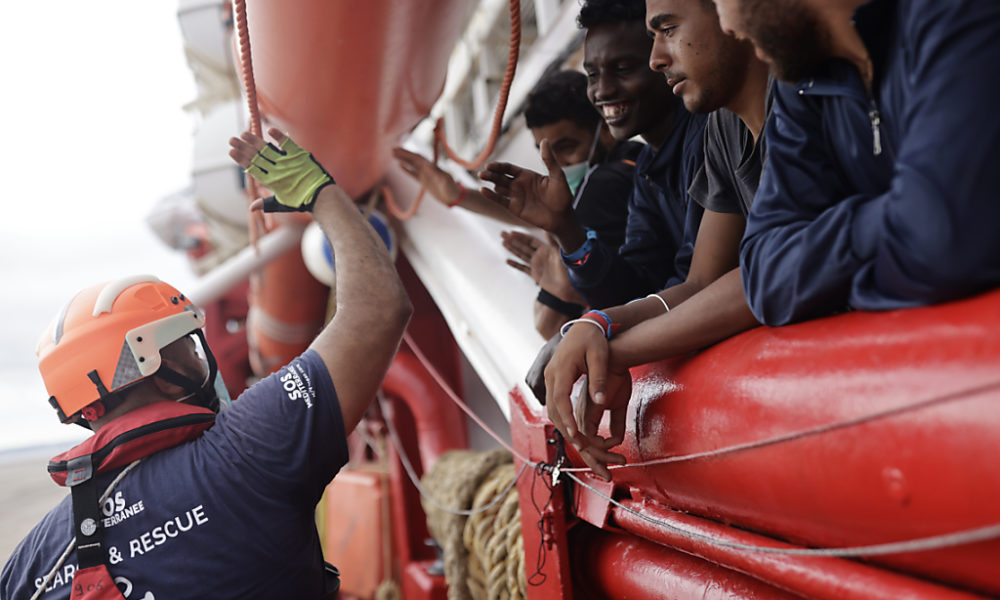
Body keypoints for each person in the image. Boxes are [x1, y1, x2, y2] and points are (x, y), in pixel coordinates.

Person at [0, 129, 412, 599]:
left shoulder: (31, 564)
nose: (203, 358)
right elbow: (378, 309)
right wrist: (320, 194)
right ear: (154, 364)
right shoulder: (249, 448)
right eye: (189, 348)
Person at [541, 0, 773, 478]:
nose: (658, 58)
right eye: (592, 75)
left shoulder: (783, 107)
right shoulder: (700, 139)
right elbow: (694, 283)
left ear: (730, 14)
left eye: (666, 31)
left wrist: (613, 345)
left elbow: (768, 273)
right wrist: (598, 322)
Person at [710, 0, 1000, 325]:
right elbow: (767, 281)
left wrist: (834, 285)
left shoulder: (957, 11)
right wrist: (897, 221)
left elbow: (944, 239)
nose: (725, 25)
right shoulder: (803, 81)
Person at [480, 0, 708, 310]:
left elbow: (698, 285)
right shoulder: (647, 169)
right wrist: (567, 229)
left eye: (622, 69)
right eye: (592, 75)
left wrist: (599, 322)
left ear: (661, 61)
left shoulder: (708, 138)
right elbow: (633, 289)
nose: (602, 91)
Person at [394, 70, 641, 337]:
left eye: (567, 148)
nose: (557, 166)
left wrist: (564, 286)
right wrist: (459, 196)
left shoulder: (600, 186)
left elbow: (549, 324)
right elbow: (552, 212)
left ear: (603, 130)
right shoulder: (637, 161)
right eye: (546, 154)